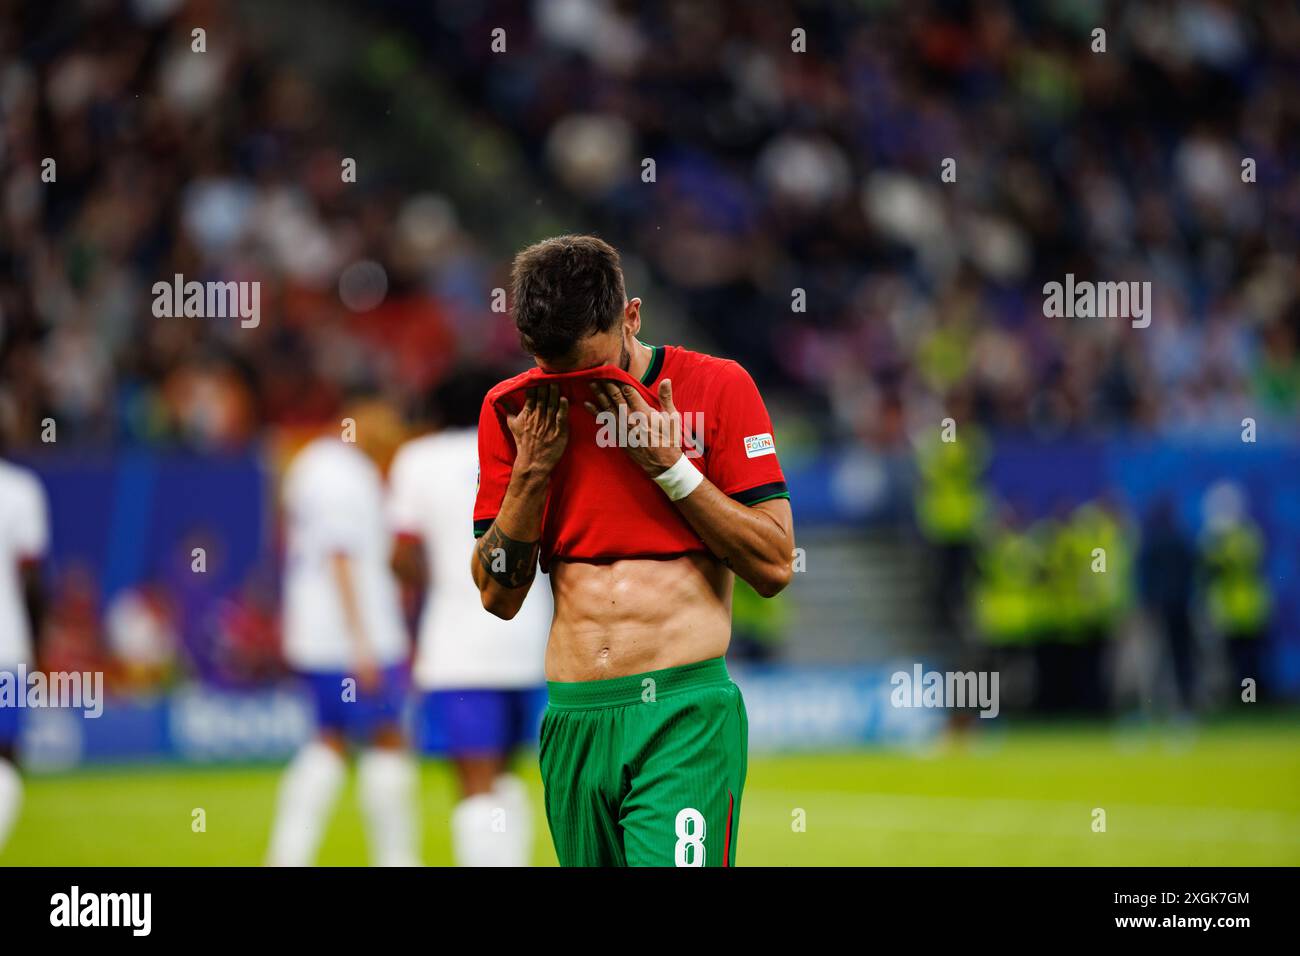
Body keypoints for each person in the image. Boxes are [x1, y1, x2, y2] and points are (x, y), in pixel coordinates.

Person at [471, 235, 795, 867]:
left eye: (591, 370)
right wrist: (533, 473)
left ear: (631, 318)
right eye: (554, 370)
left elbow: (776, 563)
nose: (572, 387)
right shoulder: (514, 411)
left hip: (681, 715)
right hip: (574, 720)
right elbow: (497, 594)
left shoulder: (718, 388)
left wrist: (671, 468)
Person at [389, 368, 551, 866]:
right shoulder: (526, 452)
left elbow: (400, 555)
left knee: (474, 786)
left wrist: (440, 572)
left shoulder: (417, 459)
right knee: (505, 777)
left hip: (458, 648)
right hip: (532, 639)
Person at [267, 401, 419, 867]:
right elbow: (340, 556)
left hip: (315, 634)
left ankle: (288, 855)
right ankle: (396, 860)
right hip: (351, 637)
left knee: (328, 739)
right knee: (388, 738)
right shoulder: (347, 476)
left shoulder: (309, 464)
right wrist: (362, 643)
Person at [0, 450, 49, 855]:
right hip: (6, 648)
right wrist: (38, 642)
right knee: (7, 762)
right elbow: (31, 579)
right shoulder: (19, 490)